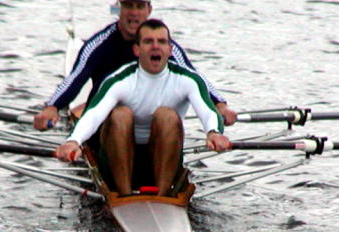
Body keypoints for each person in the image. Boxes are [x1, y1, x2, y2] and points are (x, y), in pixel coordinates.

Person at [55, 19, 232, 196]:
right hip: (117, 160)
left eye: (162, 42)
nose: (155, 46)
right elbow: (93, 115)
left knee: (167, 116)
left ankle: (162, 198)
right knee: (120, 115)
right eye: (148, 41)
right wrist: (74, 141)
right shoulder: (119, 80)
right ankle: (124, 196)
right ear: (137, 50)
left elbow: (208, 111)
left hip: (163, 159)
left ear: (170, 50)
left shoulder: (189, 80)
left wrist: (214, 132)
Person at [33, 0, 236, 130]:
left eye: (140, 6)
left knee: (166, 117)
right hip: (108, 122)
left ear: (149, 10)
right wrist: (52, 107)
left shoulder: (164, 45)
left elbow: (195, 77)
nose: (134, 13)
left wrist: (220, 104)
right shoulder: (99, 44)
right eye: (128, 6)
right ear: (118, 9)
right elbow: (75, 79)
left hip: (149, 123)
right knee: (120, 115)